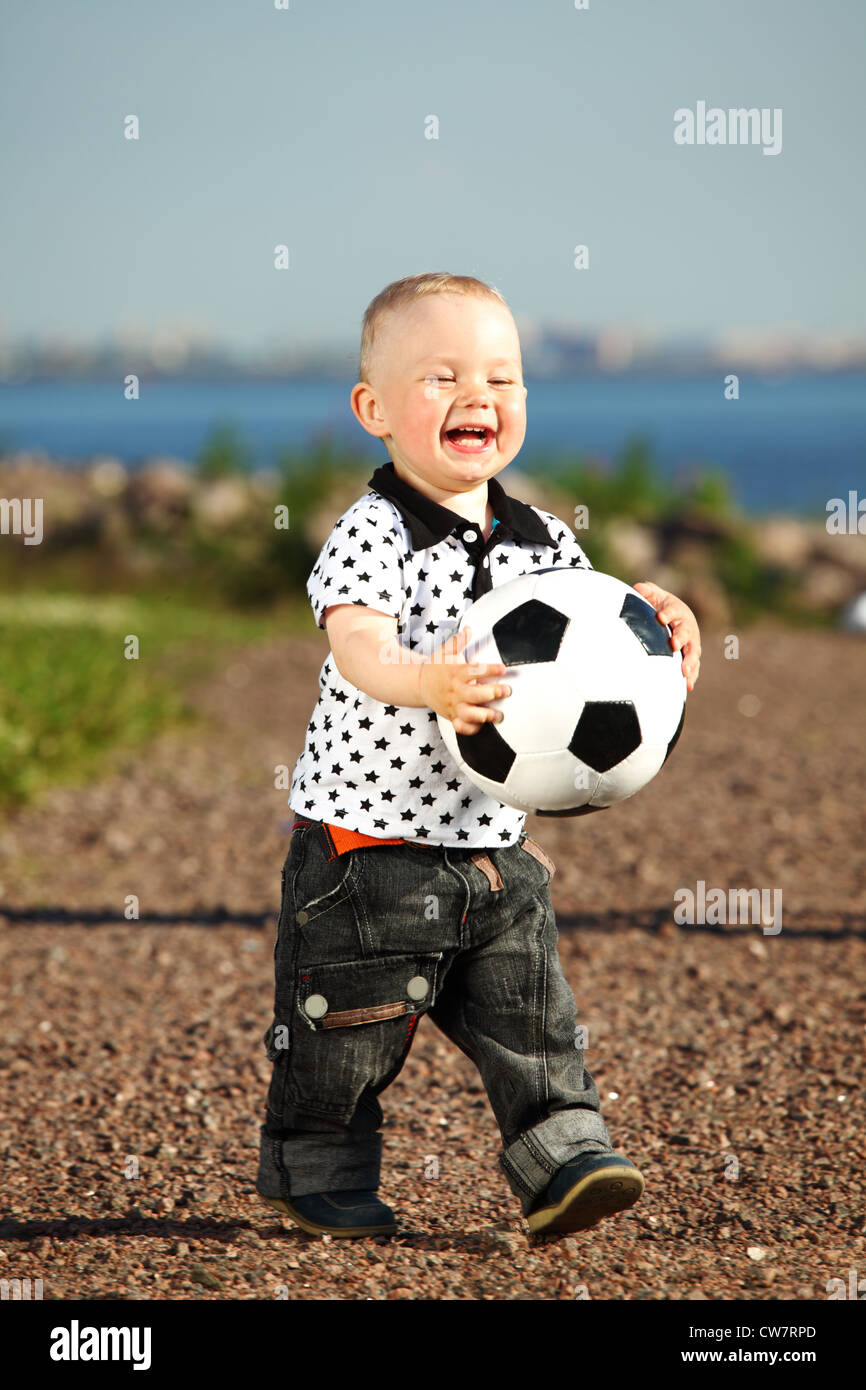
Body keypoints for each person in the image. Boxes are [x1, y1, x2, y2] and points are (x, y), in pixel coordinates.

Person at [256, 272, 701, 1239]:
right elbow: (358, 645)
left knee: (531, 1007)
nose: (478, 398)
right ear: (373, 409)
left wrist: (662, 624)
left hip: (492, 845)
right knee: (348, 1032)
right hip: (365, 849)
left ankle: (564, 1158)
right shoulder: (374, 530)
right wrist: (430, 683)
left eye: (503, 378)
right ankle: (313, 1167)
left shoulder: (544, 537)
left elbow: (597, 636)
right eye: (443, 377)